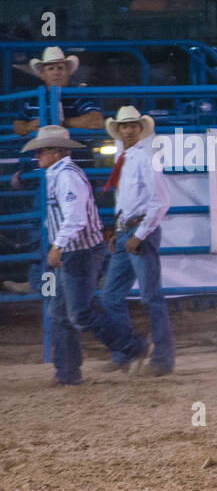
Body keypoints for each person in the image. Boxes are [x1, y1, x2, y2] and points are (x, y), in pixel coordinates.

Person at [23, 125, 143, 386]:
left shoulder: (66, 176)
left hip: (78, 253)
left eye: (41, 151)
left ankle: (132, 347)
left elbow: (75, 217)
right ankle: (67, 374)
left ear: (56, 152)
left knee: (78, 314)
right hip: (73, 253)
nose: (37, 157)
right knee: (61, 314)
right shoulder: (61, 174)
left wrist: (57, 245)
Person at [99, 106, 174, 377]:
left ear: (140, 129)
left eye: (133, 126)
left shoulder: (145, 157)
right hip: (127, 232)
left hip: (140, 232)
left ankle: (162, 360)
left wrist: (139, 234)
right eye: (125, 126)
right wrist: (119, 232)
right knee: (111, 296)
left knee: (150, 296)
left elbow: (161, 200)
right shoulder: (126, 155)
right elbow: (127, 200)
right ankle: (129, 350)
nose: (129, 130)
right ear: (119, 130)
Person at [12, 47, 105, 138]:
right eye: (51, 69)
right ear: (42, 75)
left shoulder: (78, 97)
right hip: (43, 151)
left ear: (68, 72)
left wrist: (61, 122)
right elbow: (18, 126)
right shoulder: (32, 100)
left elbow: (97, 121)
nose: (56, 72)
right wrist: (28, 126)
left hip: (76, 150)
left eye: (60, 68)